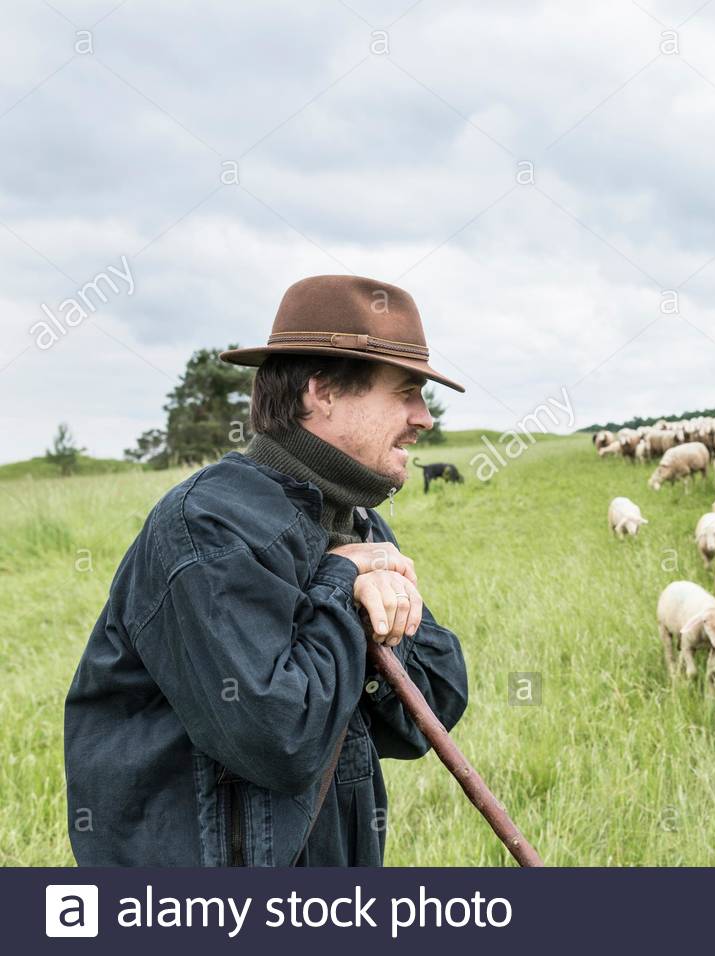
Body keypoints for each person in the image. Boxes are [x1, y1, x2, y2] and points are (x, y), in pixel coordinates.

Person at [64, 275, 469, 866]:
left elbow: (432, 709)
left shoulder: (354, 519)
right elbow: (279, 739)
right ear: (322, 390)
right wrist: (337, 586)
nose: (423, 417)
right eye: (406, 392)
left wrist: (376, 606)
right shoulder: (207, 524)